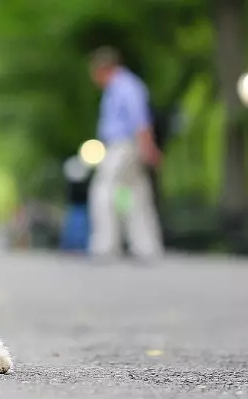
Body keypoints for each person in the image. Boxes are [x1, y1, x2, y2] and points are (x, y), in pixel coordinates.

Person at [88, 46, 163, 261]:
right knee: (134, 194)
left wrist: (148, 147)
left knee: (104, 190)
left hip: (124, 146)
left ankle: (105, 245)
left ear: (103, 68)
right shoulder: (118, 88)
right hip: (124, 146)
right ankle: (145, 246)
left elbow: (140, 120)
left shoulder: (125, 86)